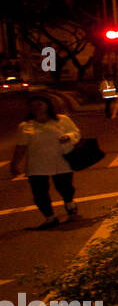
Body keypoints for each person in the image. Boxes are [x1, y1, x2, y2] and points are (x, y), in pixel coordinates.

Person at [11, 94, 81, 230]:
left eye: (39, 105)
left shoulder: (62, 120)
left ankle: (70, 204)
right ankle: (49, 217)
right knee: (39, 193)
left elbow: (76, 133)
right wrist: (15, 164)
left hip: (61, 161)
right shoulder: (26, 126)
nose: (36, 108)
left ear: (48, 105)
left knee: (65, 187)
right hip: (37, 164)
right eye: (32, 106)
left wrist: (69, 137)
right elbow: (21, 146)